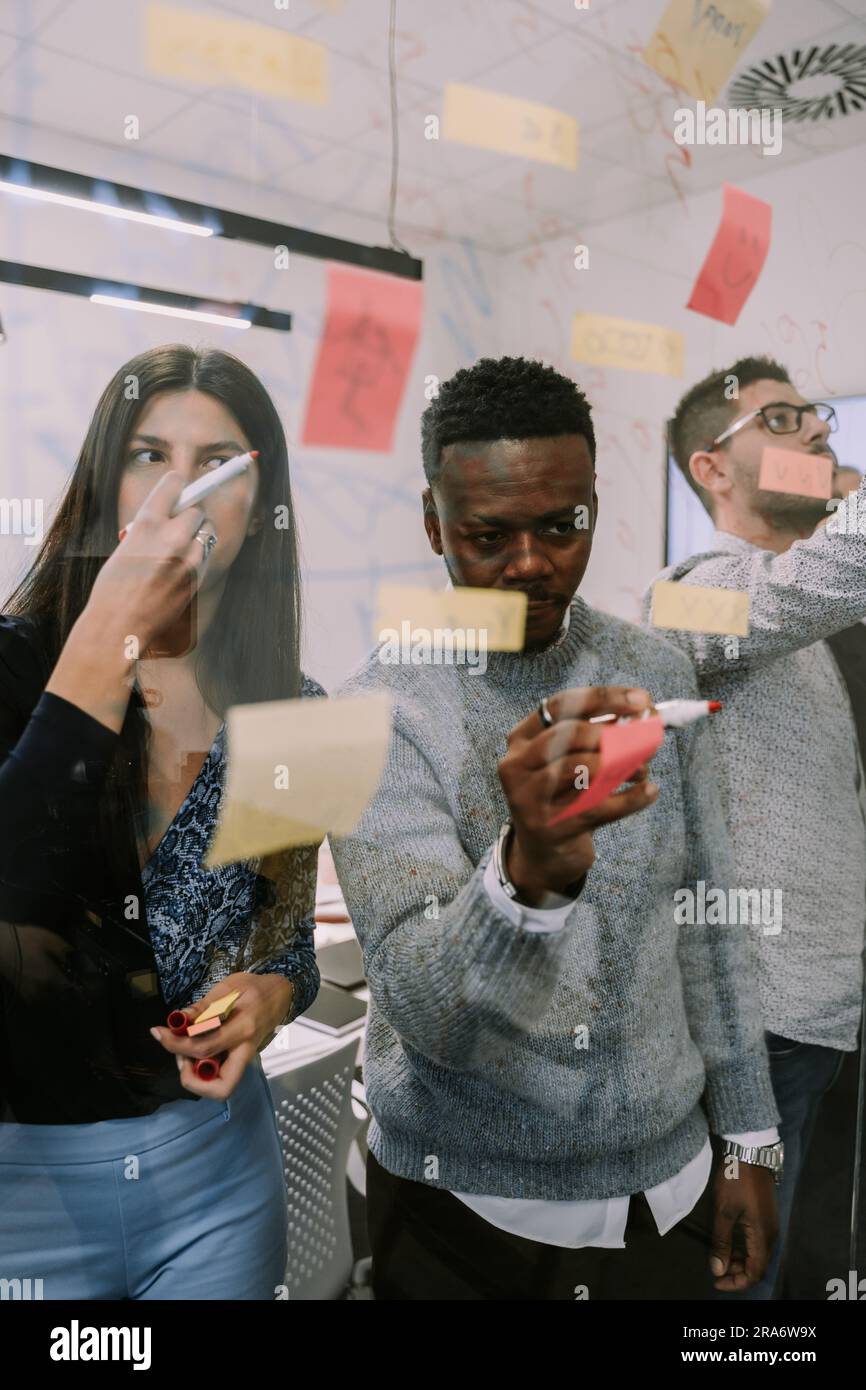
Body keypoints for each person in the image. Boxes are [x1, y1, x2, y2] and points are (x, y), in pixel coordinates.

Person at [330, 355, 779, 1302]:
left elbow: (710, 926)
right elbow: (428, 1012)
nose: (531, 563)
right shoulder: (378, 710)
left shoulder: (651, 665)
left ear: (594, 507)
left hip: (674, 1187)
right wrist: (525, 871)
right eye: (488, 535)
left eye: (561, 525)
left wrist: (748, 1134)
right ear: (432, 523)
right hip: (469, 1215)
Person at [0, 344, 321, 1299]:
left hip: (217, 1170)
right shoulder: (14, 671)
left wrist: (267, 999)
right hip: (26, 1188)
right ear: (103, 488)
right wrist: (107, 641)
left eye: (218, 462)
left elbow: (287, 944)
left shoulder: (295, 708)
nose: (180, 491)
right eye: (148, 456)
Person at [645, 355, 866, 1299]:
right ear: (711, 467)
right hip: (753, 1030)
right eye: (782, 422)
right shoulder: (688, 593)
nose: (818, 431)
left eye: (816, 416)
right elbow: (830, 576)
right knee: (735, 1296)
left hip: (815, 1013)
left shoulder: (802, 618)